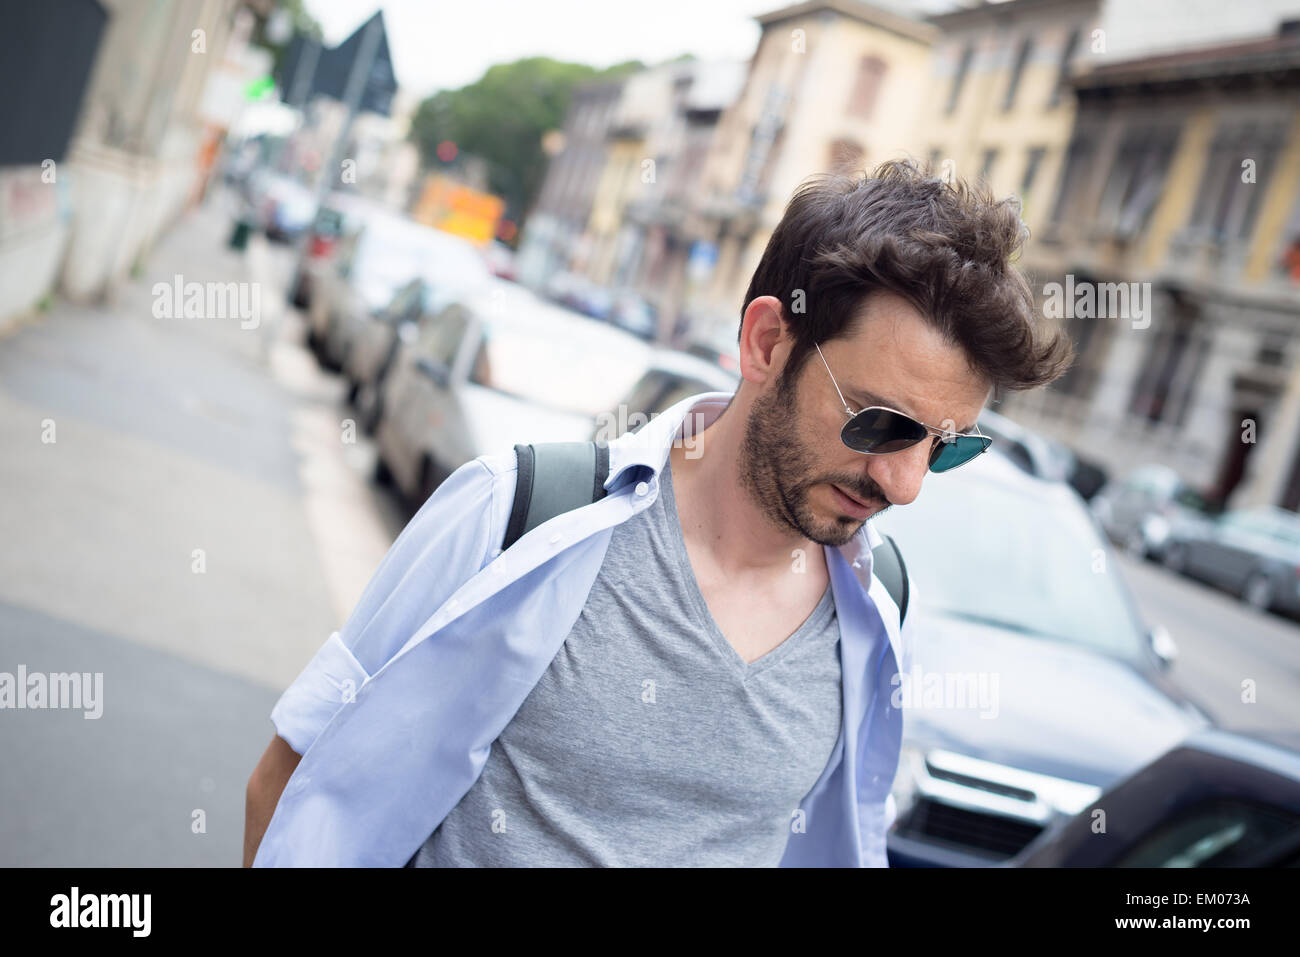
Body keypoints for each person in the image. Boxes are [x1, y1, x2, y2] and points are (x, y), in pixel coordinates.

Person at [244, 159, 1073, 867]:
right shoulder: (521, 513)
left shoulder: (880, 609)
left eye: (944, 446)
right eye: (880, 422)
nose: (906, 483)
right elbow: (294, 785)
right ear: (766, 344)